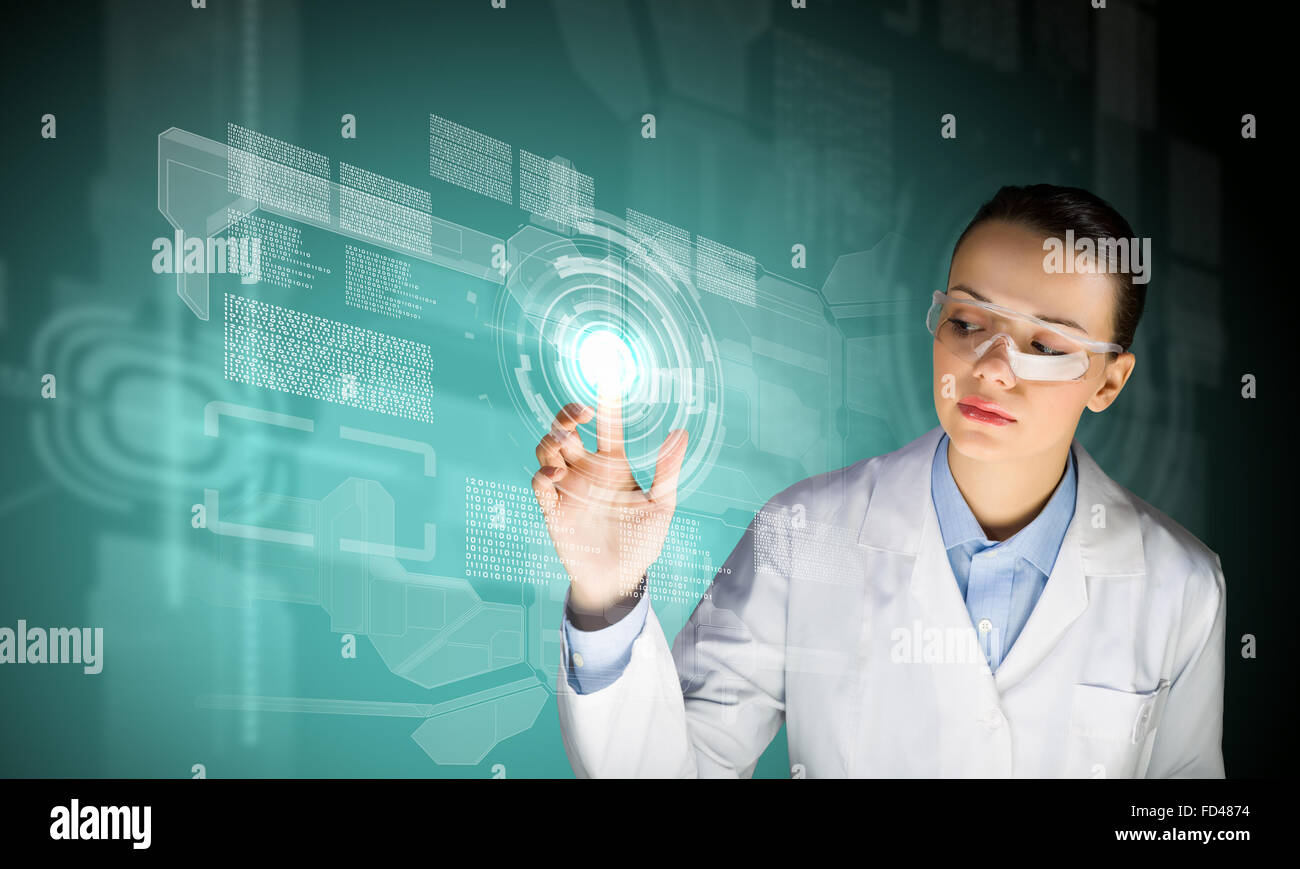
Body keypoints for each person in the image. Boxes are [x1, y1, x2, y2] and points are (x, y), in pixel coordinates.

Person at [529, 184, 1226, 778]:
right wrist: (607, 595)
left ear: (1109, 379)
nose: (990, 366)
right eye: (967, 321)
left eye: (1046, 346)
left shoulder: (1180, 584)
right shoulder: (805, 537)